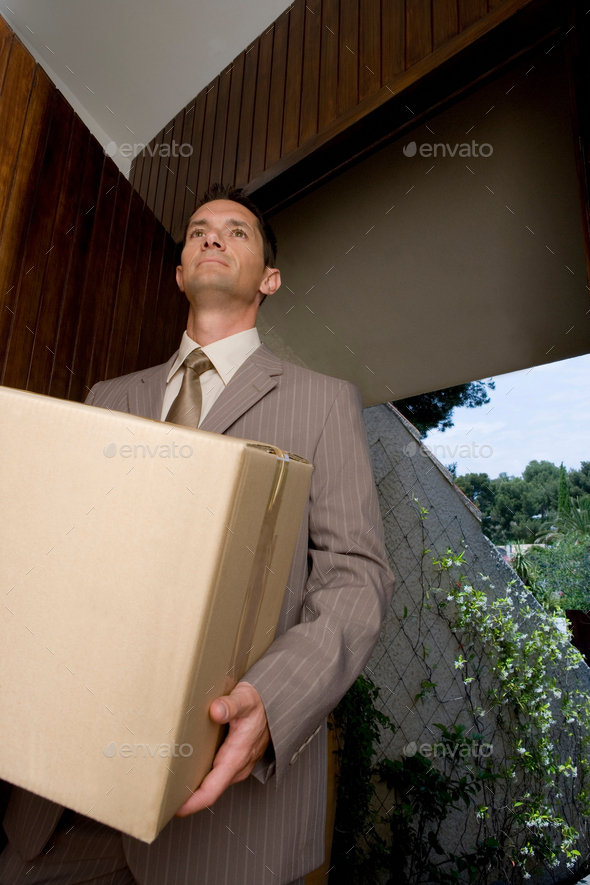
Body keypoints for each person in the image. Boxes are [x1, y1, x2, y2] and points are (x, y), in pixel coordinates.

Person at [0, 182, 395, 885]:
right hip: (59, 807)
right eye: (198, 230)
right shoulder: (107, 398)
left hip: (219, 828)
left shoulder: (325, 403)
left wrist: (274, 699)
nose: (213, 236)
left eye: (238, 231)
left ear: (270, 278)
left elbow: (356, 579)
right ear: (180, 272)